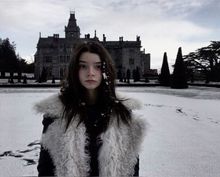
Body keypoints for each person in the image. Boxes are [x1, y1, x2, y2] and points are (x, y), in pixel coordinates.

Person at [35, 41, 146, 177]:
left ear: (106, 70)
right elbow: (45, 169)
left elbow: (131, 168)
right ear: (75, 70)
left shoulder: (122, 114)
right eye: (83, 66)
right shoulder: (56, 114)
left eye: (98, 66)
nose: (90, 73)